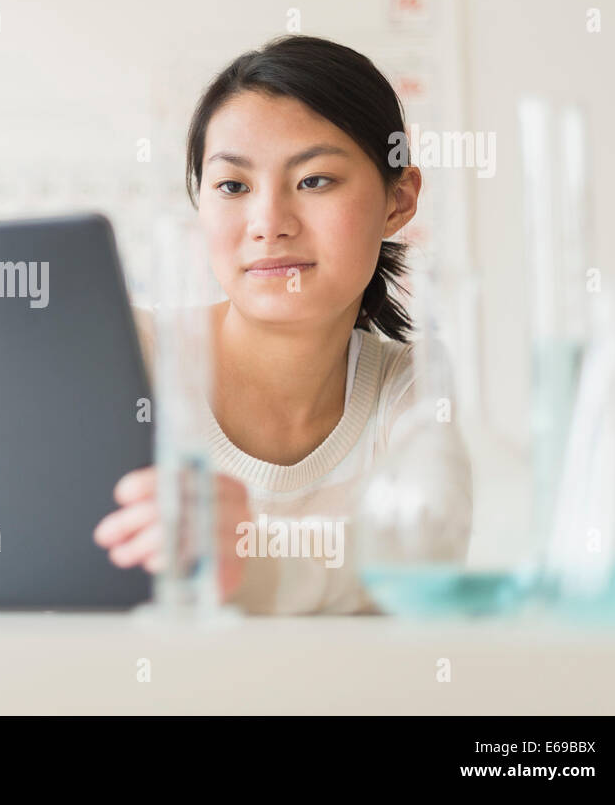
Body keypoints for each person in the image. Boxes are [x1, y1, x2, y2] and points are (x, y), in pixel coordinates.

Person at [93, 35, 473, 614]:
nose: (269, 223)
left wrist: (244, 569)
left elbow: (425, 550)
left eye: (315, 180)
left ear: (399, 199)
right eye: (233, 186)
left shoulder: (412, 384)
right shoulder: (126, 356)